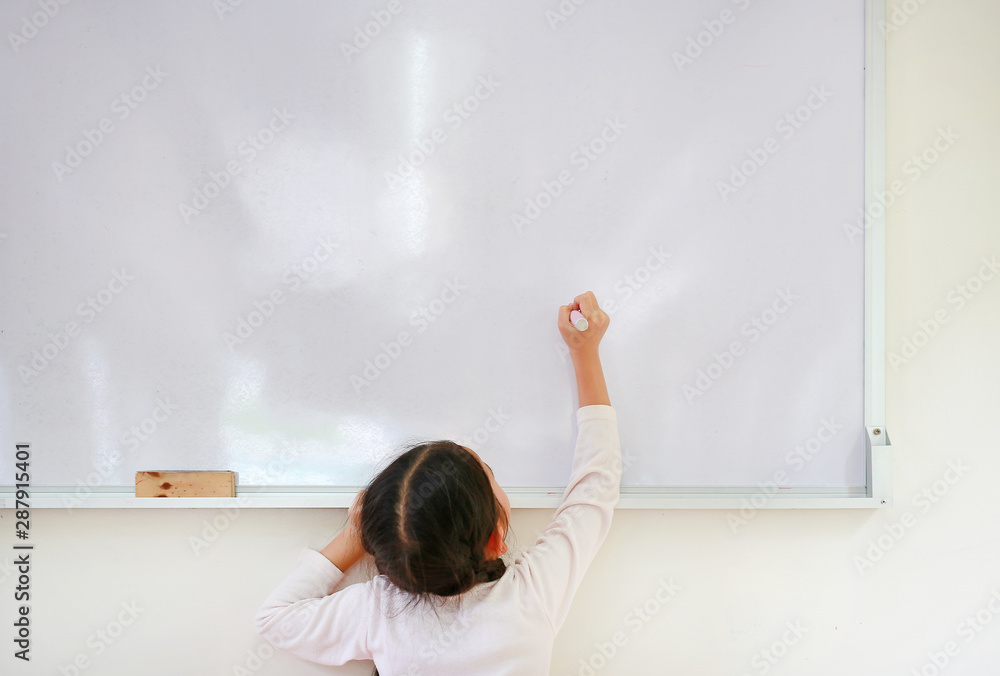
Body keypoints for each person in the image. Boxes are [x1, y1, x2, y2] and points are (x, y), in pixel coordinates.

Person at [255, 291, 621, 674]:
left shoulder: (379, 612)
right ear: (496, 540)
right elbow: (595, 487)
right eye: (490, 476)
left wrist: (357, 534)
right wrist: (585, 353)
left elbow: (275, 620)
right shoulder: (531, 595)